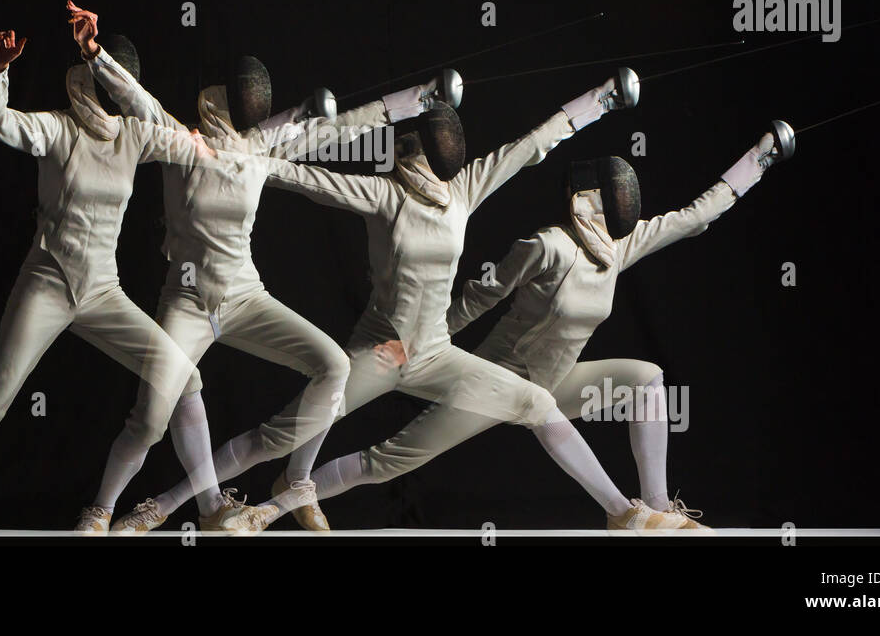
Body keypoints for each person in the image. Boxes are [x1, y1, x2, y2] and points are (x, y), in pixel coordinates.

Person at [244, 74, 699, 531]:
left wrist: (600, 101)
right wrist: (246, 157)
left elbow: (532, 144)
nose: (449, 146)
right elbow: (303, 180)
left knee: (528, 408)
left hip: (438, 352)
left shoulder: (465, 189)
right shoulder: (383, 194)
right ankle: (281, 487)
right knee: (326, 411)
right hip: (387, 348)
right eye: (437, 139)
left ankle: (629, 514)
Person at [65, 2, 456, 533]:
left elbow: (339, 128)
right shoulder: (181, 140)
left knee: (334, 366)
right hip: (189, 302)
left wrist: (421, 99)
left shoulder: (260, 146)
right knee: (151, 419)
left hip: (247, 297)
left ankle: (288, 476)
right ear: (225, 100)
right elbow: (137, 101)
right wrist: (95, 54)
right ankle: (104, 508)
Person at [0, 28, 228, 535]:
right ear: (91, 80)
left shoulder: (135, 134)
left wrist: (197, 142)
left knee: (186, 378)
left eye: (125, 85)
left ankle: (130, 509)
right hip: (47, 282)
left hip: (103, 293)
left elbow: (186, 144)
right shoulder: (58, 128)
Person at [452, 128, 794, 529]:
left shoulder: (618, 249)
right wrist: (426, 344)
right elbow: (481, 296)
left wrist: (760, 158)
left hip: (550, 383)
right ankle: (627, 515)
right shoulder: (547, 246)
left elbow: (693, 218)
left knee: (647, 379)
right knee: (388, 460)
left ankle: (654, 512)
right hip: (491, 380)